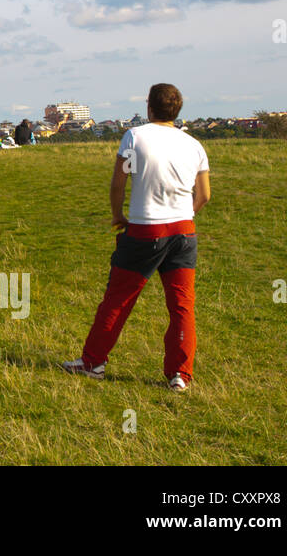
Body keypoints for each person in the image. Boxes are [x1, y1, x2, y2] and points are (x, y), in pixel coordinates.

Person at [63, 83, 210, 391]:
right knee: (182, 306)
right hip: (183, 231)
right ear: (178, 109)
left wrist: (118, 215)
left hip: (145, 230)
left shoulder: (135, 136)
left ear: (149, 107)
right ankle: (180, 375)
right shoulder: (194, 144)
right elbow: (205, 195)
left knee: (118, 299)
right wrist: (187, 213)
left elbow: (119, 183)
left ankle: (93, 362)